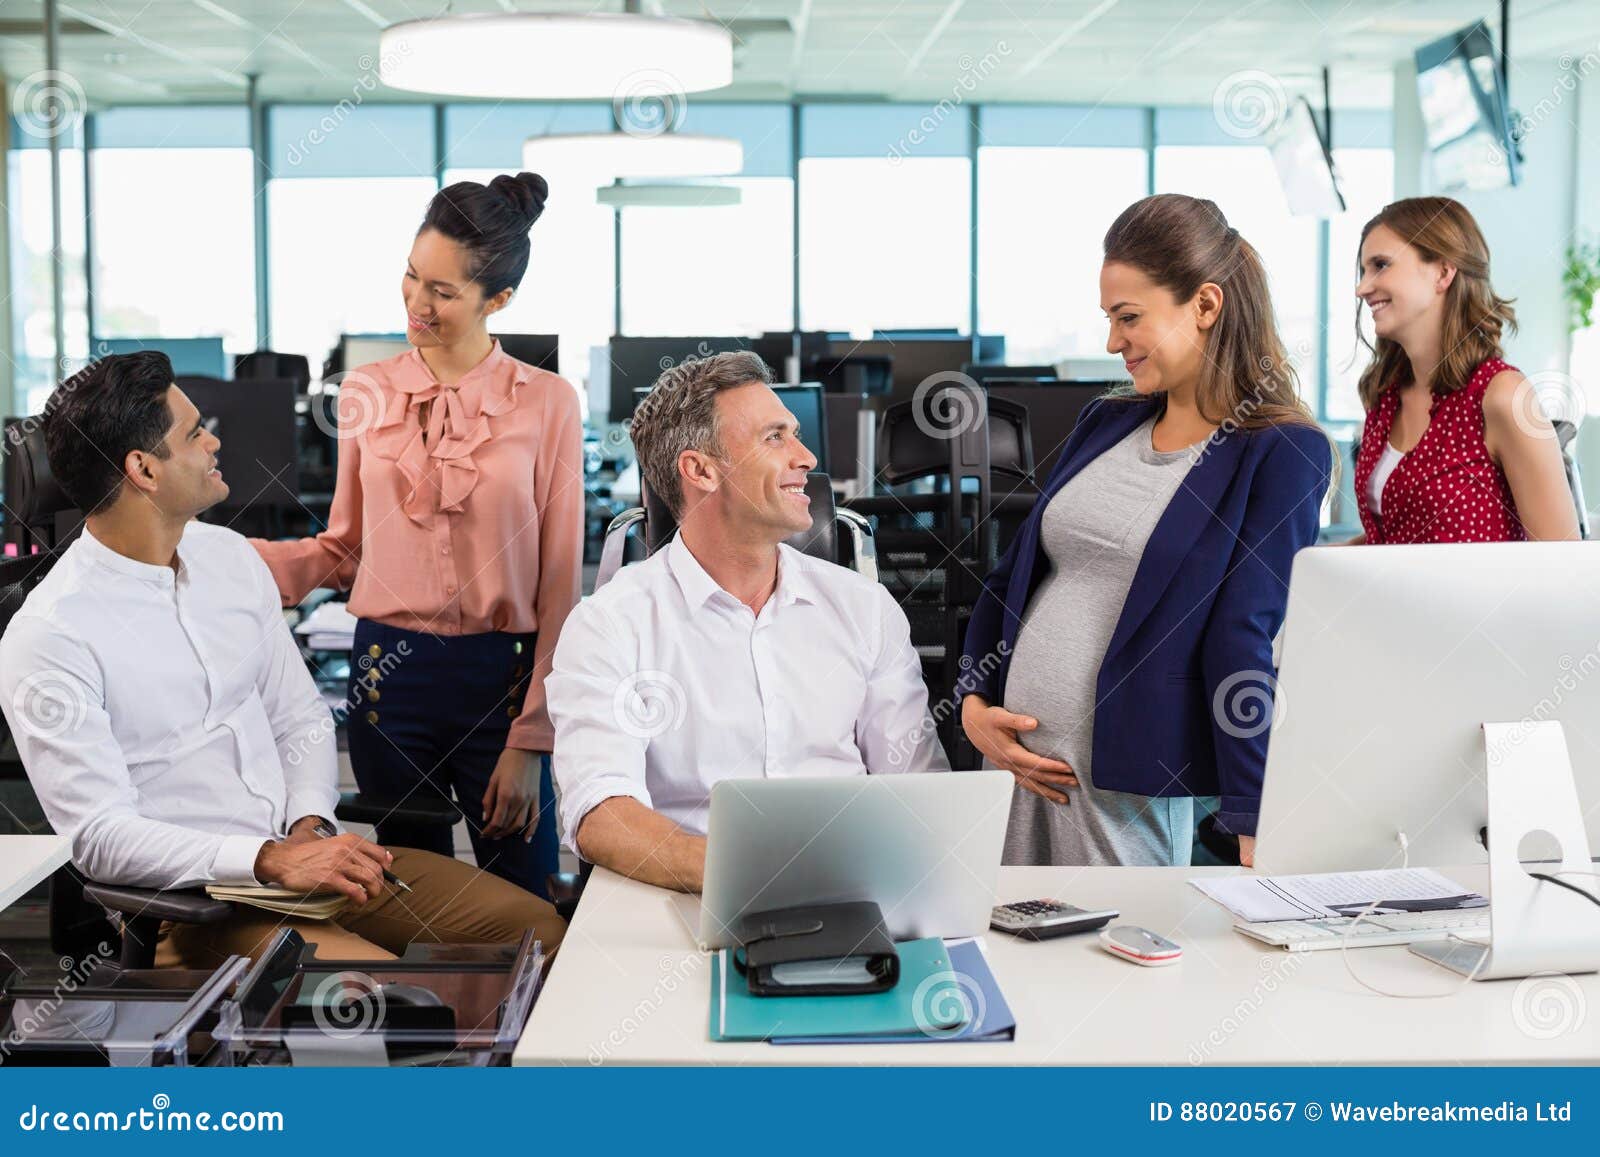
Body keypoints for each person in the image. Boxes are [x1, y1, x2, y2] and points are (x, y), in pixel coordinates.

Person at [0, 352, 564, 967]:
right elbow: (98, 838)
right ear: (143, 470)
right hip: (199, 903)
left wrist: (309, 825)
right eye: (194, 433)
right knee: (382, 1000)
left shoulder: (229, 559)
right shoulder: (50, 634)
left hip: (308, 863)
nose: (214, 442)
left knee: (542, 932)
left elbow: (300, 718)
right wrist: (269, 860)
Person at [959, 194, 1332, 869]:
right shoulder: (1105, 422)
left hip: (1117, 789)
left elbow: (1241, 635)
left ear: (1206, 306)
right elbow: (1012, 573)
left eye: (1128, 318)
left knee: (1114, 962)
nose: (1111, 341)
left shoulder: (1281, 449)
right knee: (1005, 958)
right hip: (1011, 767)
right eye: (1109, 318)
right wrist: (972, 701)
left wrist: (1253, 819)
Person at [251, 173, 584, 899]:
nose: (417, 302)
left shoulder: (549, 402)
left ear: (497, 300)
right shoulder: (367, 391)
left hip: (501, 679)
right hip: (387, 679)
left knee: (525, 896)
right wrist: (226, 561)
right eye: (411, 275)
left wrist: (533, 737)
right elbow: (344, 546)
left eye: (443, 290)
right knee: (413, 898)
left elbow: (561, 584)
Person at [546, 351, 949, 892]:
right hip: (686, 897)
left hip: (854, 893)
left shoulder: (864, 609)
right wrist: (750, 878)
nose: (806, 457)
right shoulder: (611, 625)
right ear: (701, 470)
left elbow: (919, 790)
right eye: (774, 437)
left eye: (796, 435)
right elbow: (600, 811)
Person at [1350, 196, 1577, 543]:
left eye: (1380, 265)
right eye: (1364, 270)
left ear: (1442, 272)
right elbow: (1394, 539)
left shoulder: (1503, 396)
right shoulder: (1385, 396)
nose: (1362, 288)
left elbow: (1562, 560)